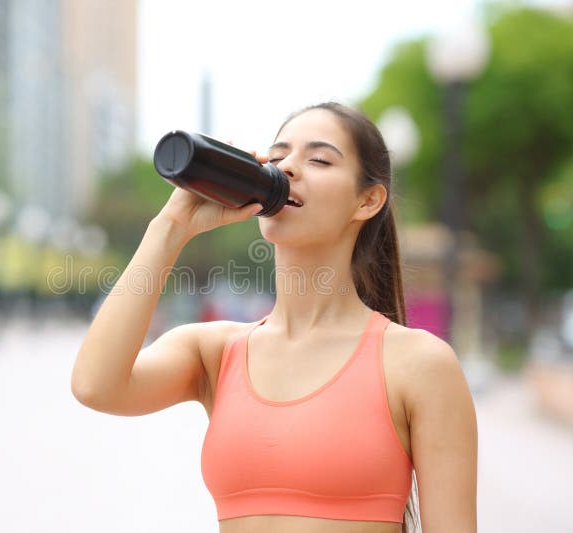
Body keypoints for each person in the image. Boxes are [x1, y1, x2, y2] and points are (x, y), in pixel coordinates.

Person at [71, 102, 478, 533]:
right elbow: (95, 386)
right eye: (277, 156)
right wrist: (171, 226)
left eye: (319, 159)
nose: (288, 169)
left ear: (368, 200)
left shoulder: (418, 364)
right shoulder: (215, 352)